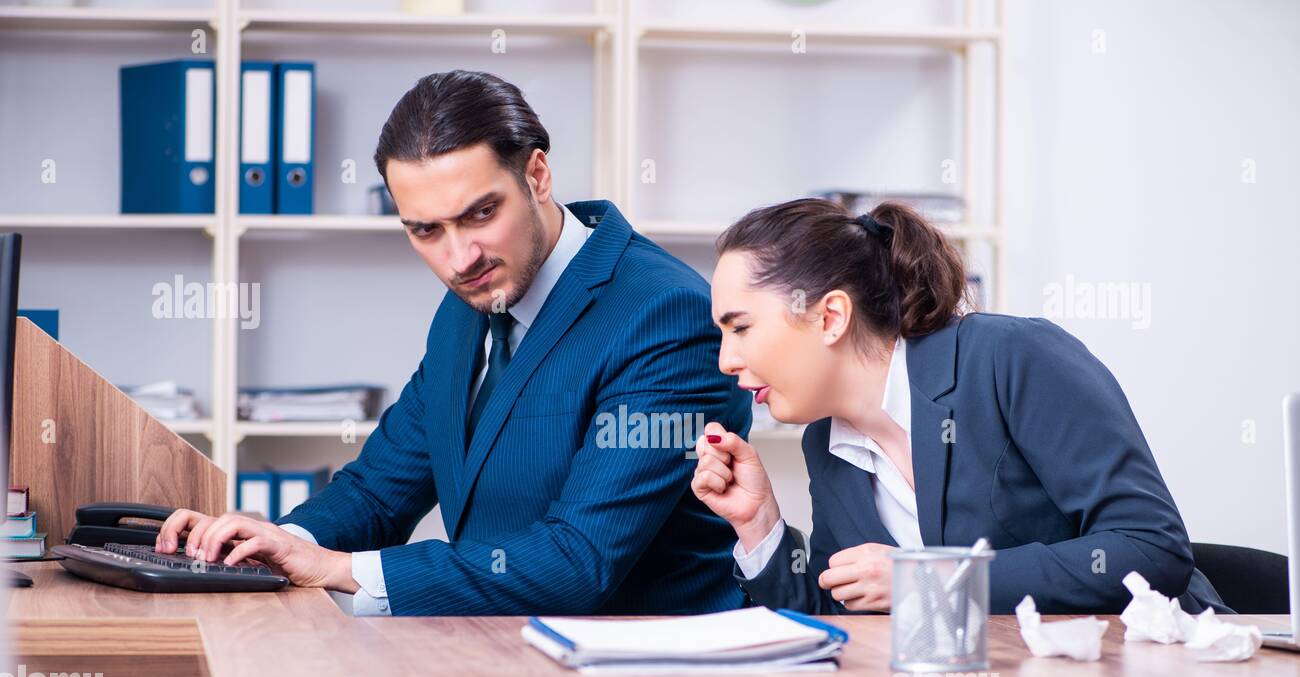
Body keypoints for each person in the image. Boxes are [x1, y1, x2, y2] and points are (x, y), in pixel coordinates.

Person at [156, 70, 751, 616]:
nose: (458, 258)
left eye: (481, 213)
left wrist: (335, 569)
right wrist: (278, 543)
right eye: (425, 230)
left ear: (538, 176)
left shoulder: (666, 315)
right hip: (490, 659)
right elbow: (380, 490)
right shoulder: (472, 302)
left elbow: (580, 560)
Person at [692, 197, 1227, 615]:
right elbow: (845, 610)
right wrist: (759, 524)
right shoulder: (827, 442)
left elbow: (1150, 550)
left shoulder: (1011, 358)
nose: (726, 360)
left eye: (740, 327)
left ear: (830, 316)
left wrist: (925, 579)